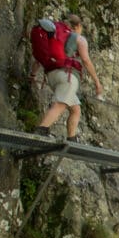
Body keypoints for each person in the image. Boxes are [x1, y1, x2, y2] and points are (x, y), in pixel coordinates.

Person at [33, 13, 102, 142]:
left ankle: (72, 139)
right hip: (67, 77)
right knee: (60, 104)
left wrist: (33, 75)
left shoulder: (53, 36)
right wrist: (97, 83)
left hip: (52, 76)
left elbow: (39, 59)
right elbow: (86, 61)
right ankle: (41, 130)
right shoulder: (79, 39)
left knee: (75, 109)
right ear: (78, 26)